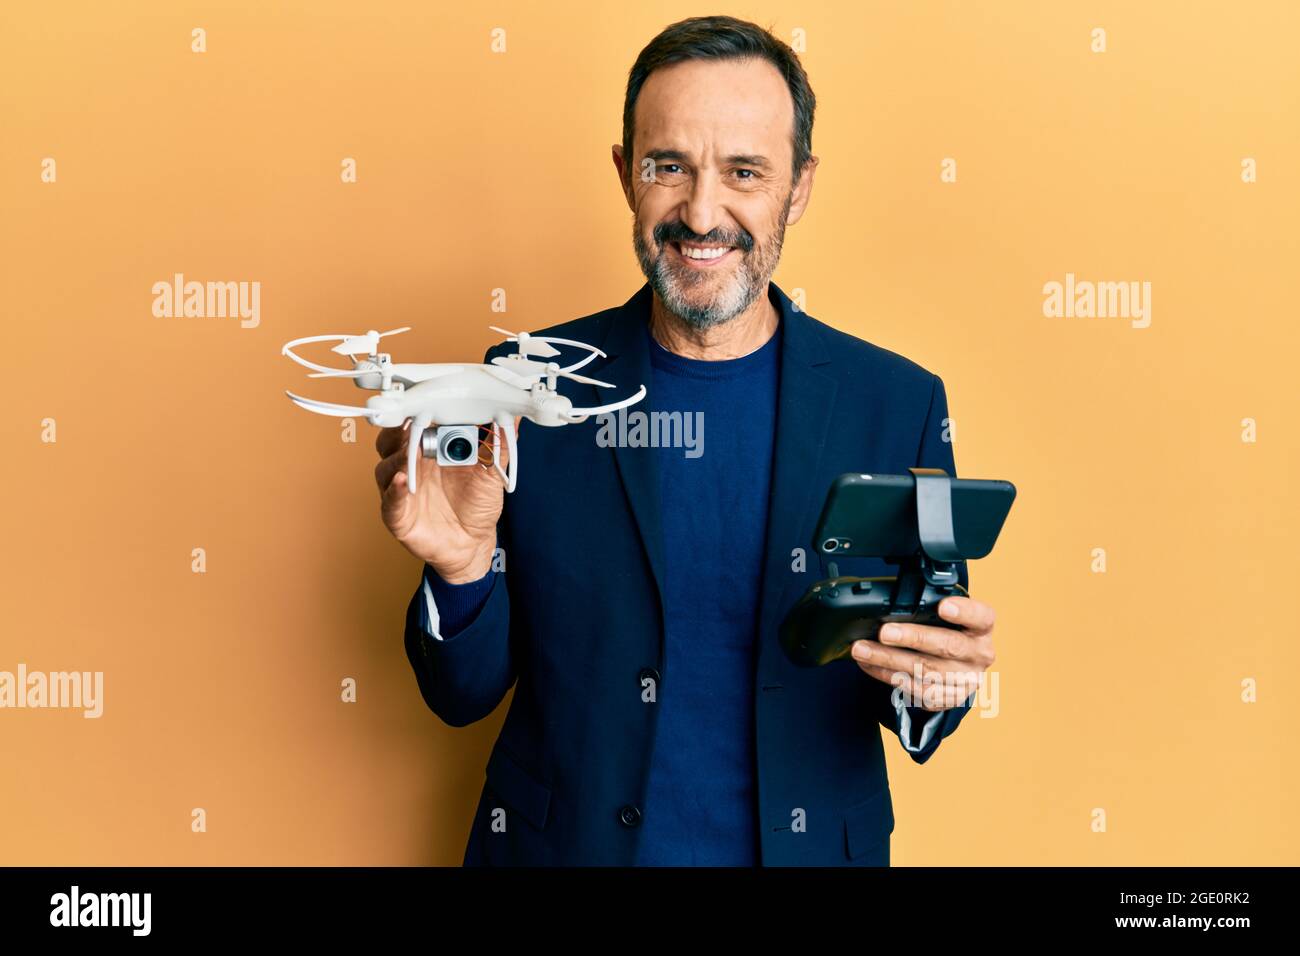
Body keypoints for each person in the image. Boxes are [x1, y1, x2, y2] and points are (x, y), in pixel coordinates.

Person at [374, 15, 996, 866]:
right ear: (626, 173)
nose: (702, 214)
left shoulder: (897, 404)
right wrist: (459, 570)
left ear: (799, 187)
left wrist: (939, 681)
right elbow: (462, 694)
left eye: (745, 171)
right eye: (669, 167)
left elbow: (927, 677)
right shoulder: (523, 387)